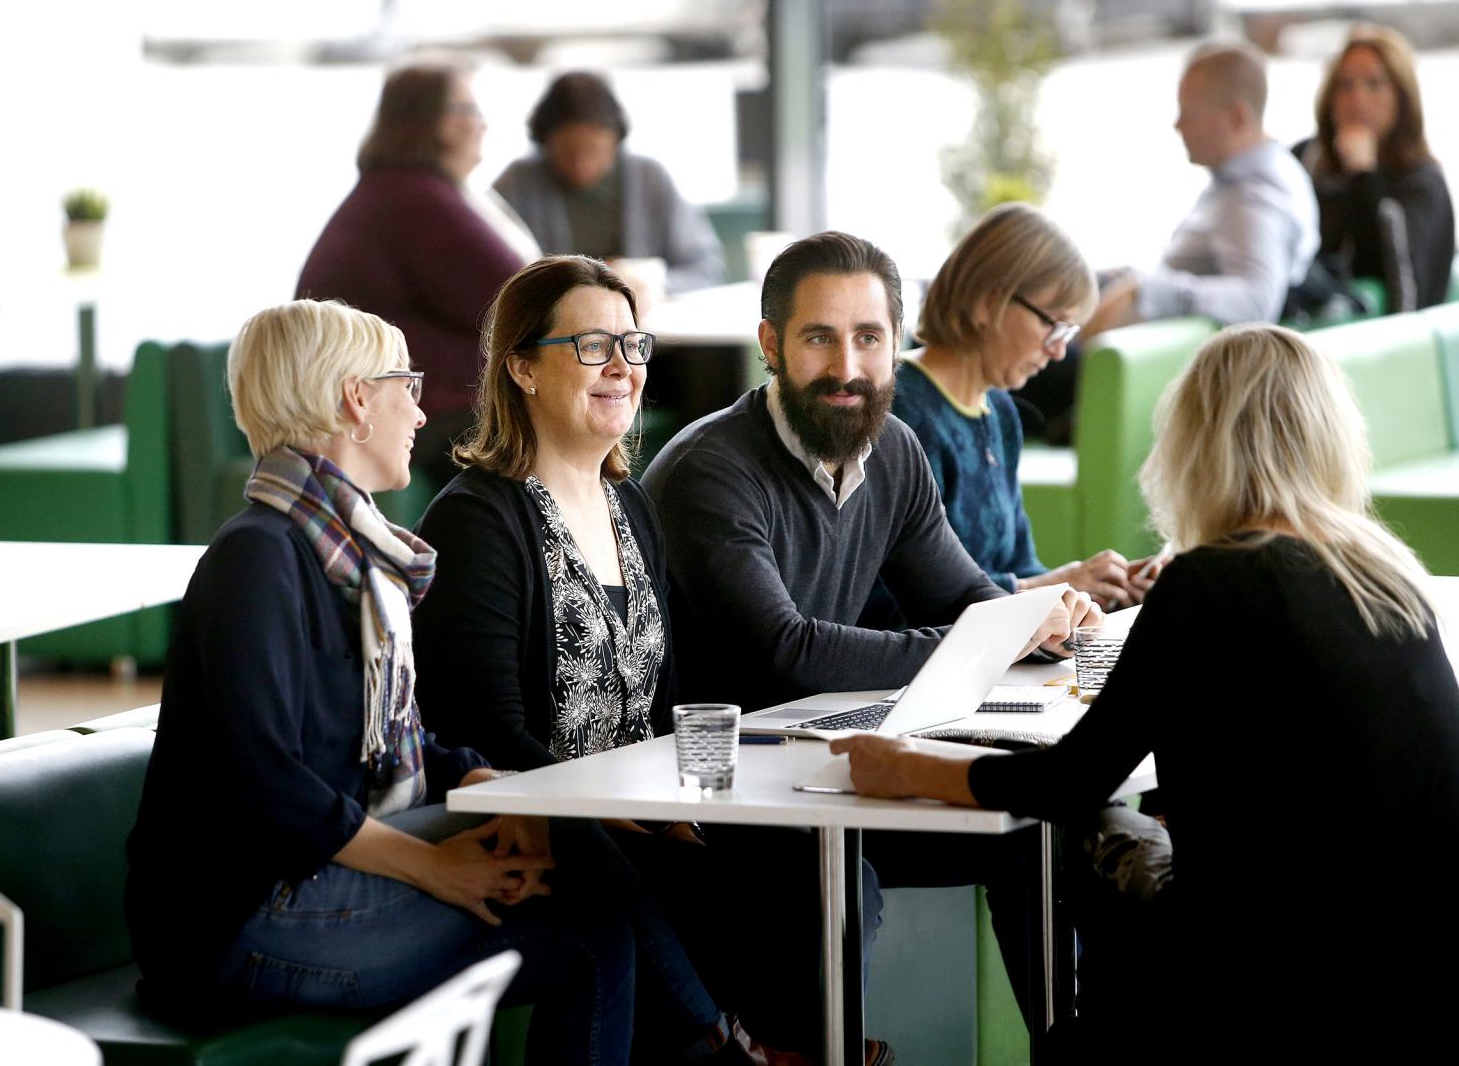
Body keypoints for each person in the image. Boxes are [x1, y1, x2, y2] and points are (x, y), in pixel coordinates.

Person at [125, 298, 795, 1065]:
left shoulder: (350, 557)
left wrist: (494, 786)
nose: (420, 411)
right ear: (355, 399)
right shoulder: (259, 556)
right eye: (405, 386)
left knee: (578, 878)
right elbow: (265, 784)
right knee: (589, 933)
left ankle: (723, 1044)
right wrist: (437, 868)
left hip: (302, 879)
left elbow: (390, 744)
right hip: (236, 918)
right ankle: (725, 1049)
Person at [833, 323, 1459, 1056]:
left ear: (1198, 441)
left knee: (1070, 845)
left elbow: (1071, 782)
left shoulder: (1213, 580)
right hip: (1411, 968)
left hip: (1272, 978)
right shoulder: (1385, 573)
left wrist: (906, 767)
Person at [409, 255, 888, 1064]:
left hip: (642, 806)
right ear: (522, 367)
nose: (623, 368)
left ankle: (789, 1045)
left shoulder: (629, 504)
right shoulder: (479, 521)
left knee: (828, 868)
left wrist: (682, 808)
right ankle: (733, 1051)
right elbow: (484, 731)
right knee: (694, 888)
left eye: (633, 346)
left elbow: (665, 704)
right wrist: (634, 815)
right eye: (592, 346)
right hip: (547, 821)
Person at [642, 230, 1100, 1030]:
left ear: (896, 343)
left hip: (824, 769)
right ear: (771, 346)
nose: (848, 367)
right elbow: (786, 654)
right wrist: (990, 639)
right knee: (838, 888)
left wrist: (1049, 622)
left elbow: (965, 596)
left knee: (1039, 833)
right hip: (717, 796)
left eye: (869, 338)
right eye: (820, 338)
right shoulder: (711, 470)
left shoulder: (893, 449)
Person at [1020, 41, 1320, 441]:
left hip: (1133, 365)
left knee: (994, 354)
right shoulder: (1249, 179)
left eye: (1189, 112)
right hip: (1130, 355)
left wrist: (1151, 290)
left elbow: (1256, 301)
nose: (1178, 125)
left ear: (1236, 116)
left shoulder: (1255, 195)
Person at [883, 202, 1159, 611]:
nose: (1059, 350)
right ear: (987, 303)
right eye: (1053, 324)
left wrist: (1092, 592)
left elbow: (1020, 565)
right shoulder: (901, 412)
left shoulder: (999, 412)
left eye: (1067, 332)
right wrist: (1054, 585)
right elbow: (902, 598)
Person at [296, 63, 532, 483]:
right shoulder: (415, 198)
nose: (483, 123)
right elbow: (530, 302)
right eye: (469, 109)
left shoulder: (402, 190)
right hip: (388, 411)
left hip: (385, 401)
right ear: (433, 122)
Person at [494, 71, 726, 300]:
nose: (582, 166)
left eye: (595, 151)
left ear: (616, 141)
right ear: (545, 144)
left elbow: (705, 267)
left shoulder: (650, 179)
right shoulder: (516, 184)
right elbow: (492, 279)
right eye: (567, 152)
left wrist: (653, 286)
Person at [1295, 24, 1455, 312]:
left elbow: (1405, 291)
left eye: (1374, 84)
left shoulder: (1422, 182)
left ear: (1402, 97)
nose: (1357, 99)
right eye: (1345, 85)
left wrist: (1363, 176)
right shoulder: (1306, 162)